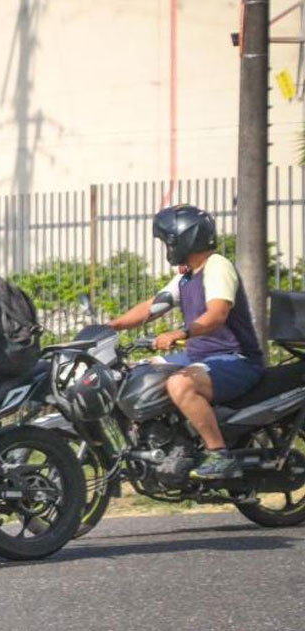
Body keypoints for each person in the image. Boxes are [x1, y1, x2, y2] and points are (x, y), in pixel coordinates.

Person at [108, 204, 264, 479]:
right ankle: (168, 442)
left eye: (167, 241)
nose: (166, 247)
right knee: (133, 374)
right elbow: (153, 306)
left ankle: (219, 453)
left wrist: (182, 333)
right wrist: (111, 326)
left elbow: (217, 313)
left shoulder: (217, 267)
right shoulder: (186, 274)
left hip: (235, 359)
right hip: (200, 358)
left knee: (180, 383)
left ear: (182, 239)